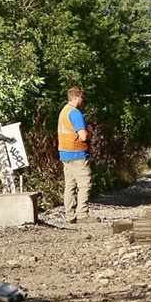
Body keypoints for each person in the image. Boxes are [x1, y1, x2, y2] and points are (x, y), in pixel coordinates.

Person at [58, 86, 92, 223]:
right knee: (85, 184)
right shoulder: (75, 113)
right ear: (77, 97)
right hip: (77, 154)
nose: (83, 100)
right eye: (82, 97)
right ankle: (83, 214)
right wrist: (91, 132)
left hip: (65, 153)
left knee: (70, 185)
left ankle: (70, 215)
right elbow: (83, 136)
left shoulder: (64, 111)